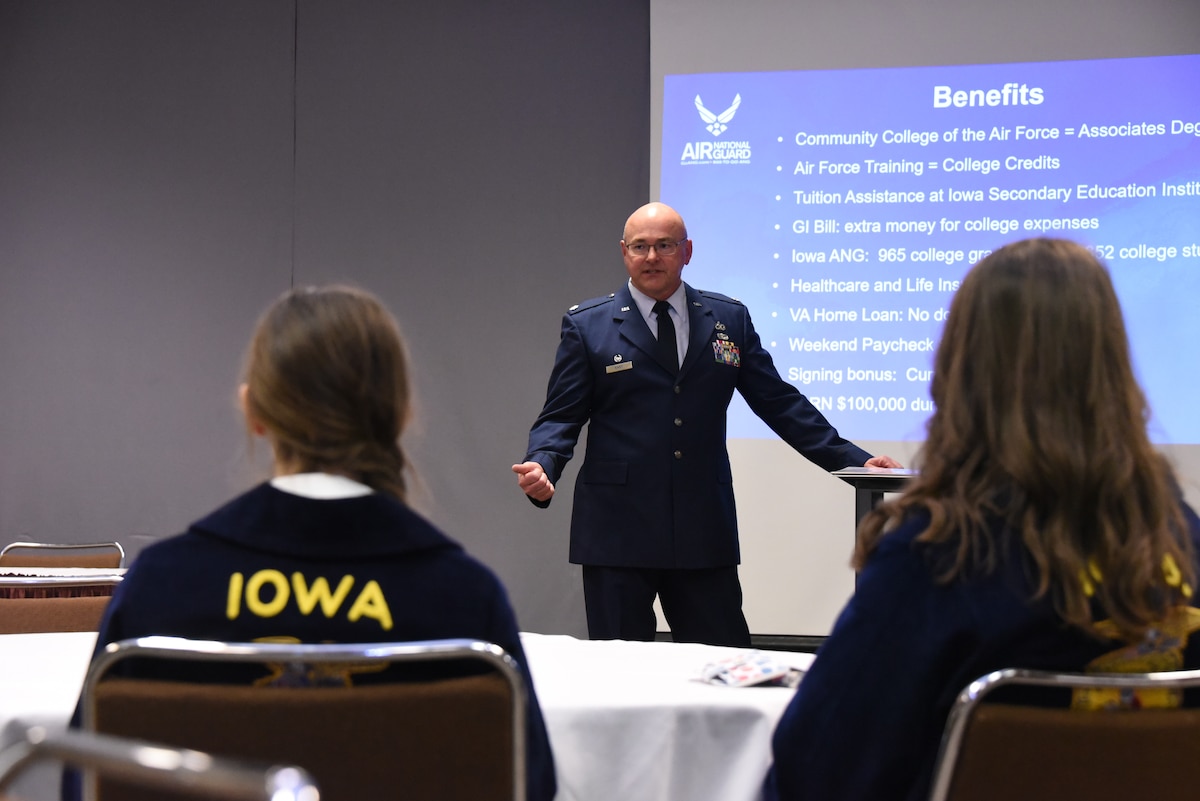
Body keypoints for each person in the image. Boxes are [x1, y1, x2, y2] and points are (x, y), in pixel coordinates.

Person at [66, 285, 556, 801]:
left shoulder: (160, 589)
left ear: (253, 410)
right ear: (400, 415)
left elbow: (86, 784)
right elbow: (527, 786)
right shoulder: (465, 601)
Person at [763, 238, 1200, 801]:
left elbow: (814, 774)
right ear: (1110, 362)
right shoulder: (1180, 534)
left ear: (961, 365)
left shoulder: (938, 556)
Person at [512, 201, 900, 646]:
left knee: (723, 661)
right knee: (617, 674)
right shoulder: (589, 325)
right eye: (640, 246)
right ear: (624, 252)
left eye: (664, 245)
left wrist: (854, 462)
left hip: (701, 527)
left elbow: (779, 402)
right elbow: (561, 415)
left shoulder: (727, 319)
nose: (651, 257)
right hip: (617, 530)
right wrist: (543, 463)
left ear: (687, 251)